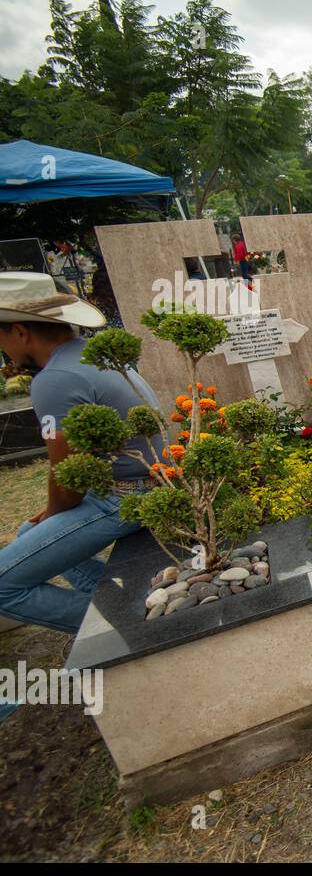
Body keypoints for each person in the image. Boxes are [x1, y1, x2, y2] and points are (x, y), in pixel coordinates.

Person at [0, 271, 164, 633]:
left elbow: (67, 472)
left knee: (2, 586)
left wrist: (54, 512)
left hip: (125, 497)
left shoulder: (55, 378)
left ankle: (123, 624)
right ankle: (116, 605)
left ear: (20, 332)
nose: (4, 349)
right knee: (29, 531)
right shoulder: (96, 353)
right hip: (144, 483)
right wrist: (49, 515)